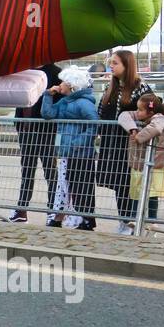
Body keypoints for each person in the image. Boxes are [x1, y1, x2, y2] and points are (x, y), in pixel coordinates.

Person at [97, 49, 154, 235]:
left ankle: (136, 222)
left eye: (115, 63)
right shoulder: (110, 87)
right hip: (111, 144)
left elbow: (154, 108)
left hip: (132, 145)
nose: (110, 66)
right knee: (118, 182)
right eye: (110, 62)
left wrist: (139, 124)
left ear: (126, 65)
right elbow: (100, 111)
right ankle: (124, 221)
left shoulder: (141, 87)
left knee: (133, 184)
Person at [41, 66, 99, 230]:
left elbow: (93, 125)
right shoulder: (64, 101)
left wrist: (77, 143)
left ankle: (84, 219)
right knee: (65, 184)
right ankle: (60, 217)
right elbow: (48, 114)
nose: (60, 84)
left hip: (80, 153)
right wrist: (48, 95)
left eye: (64, 82)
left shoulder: (83, 103)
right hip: (67, 151)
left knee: (80, 185)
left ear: (72, 85)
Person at [6, 63, 61, 223]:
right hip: (26, 130)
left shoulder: (55, 72)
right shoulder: (23, 69)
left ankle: (52, 211)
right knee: (27, 172)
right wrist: (19, 124)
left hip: (46, 131)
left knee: (50, 172)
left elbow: (59, 100)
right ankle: (21, 210)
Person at [121, 94, 164, 227]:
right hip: (138, 163)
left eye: (140, 110)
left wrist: (138, 137)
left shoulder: (160, 118)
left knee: (152, 193)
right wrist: (132, 128)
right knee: (136, 191)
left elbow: (155, 128)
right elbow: (123, 116)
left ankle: (152, 219)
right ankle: (135, 218)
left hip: (155, 163)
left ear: (150, 112)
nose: (137, 112)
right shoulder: (140, 116)